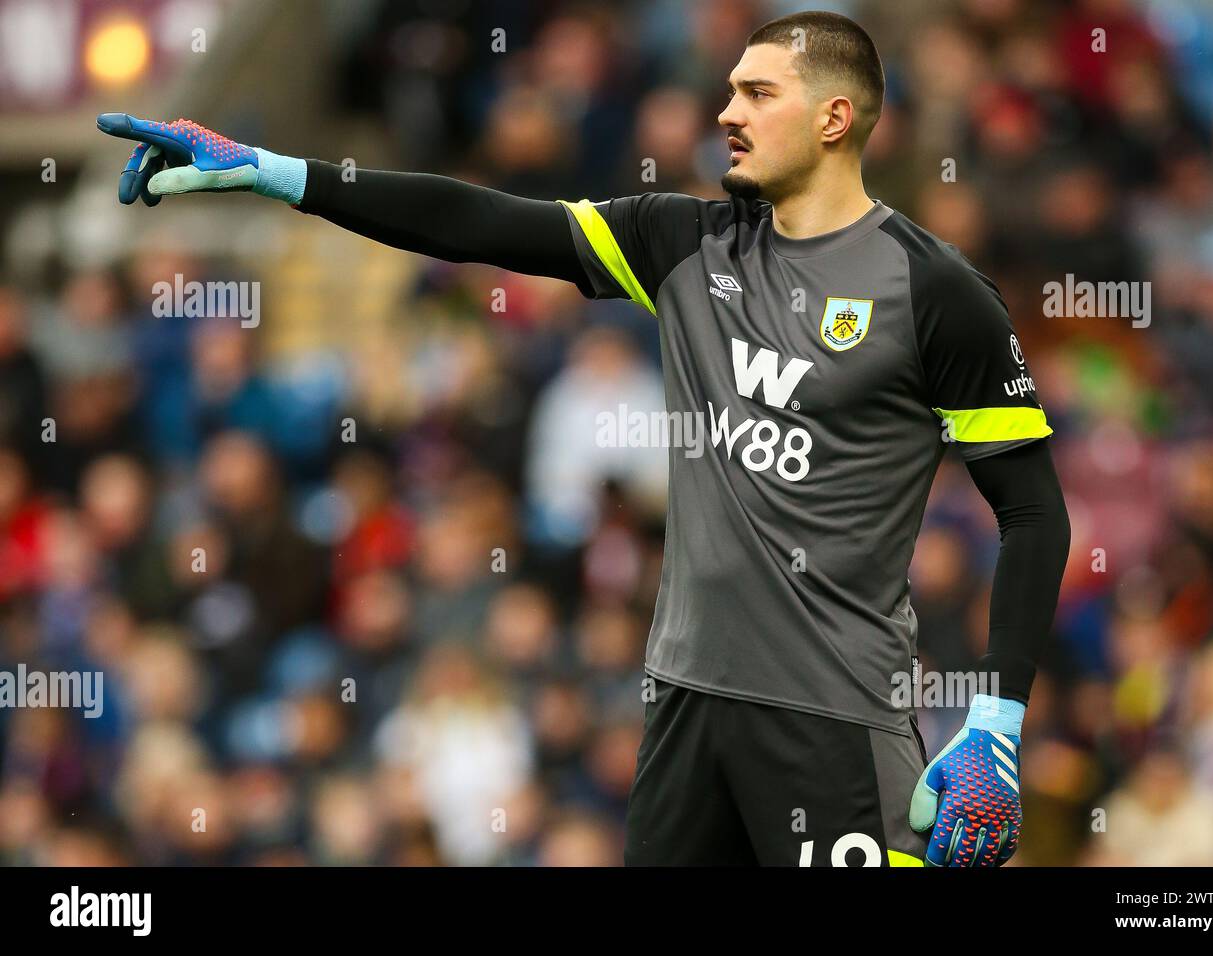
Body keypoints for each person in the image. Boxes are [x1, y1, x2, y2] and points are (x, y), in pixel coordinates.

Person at [98, 9, 1070, 867]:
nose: (725, 111)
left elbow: (1030, 508)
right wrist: (276, 175)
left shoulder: (933, 291)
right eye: (727, 88)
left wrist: (996, 718)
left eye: (756, 92)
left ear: (833, 118)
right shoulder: (684, 243)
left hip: (836, 719)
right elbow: (477, 220)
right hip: (685, 708)